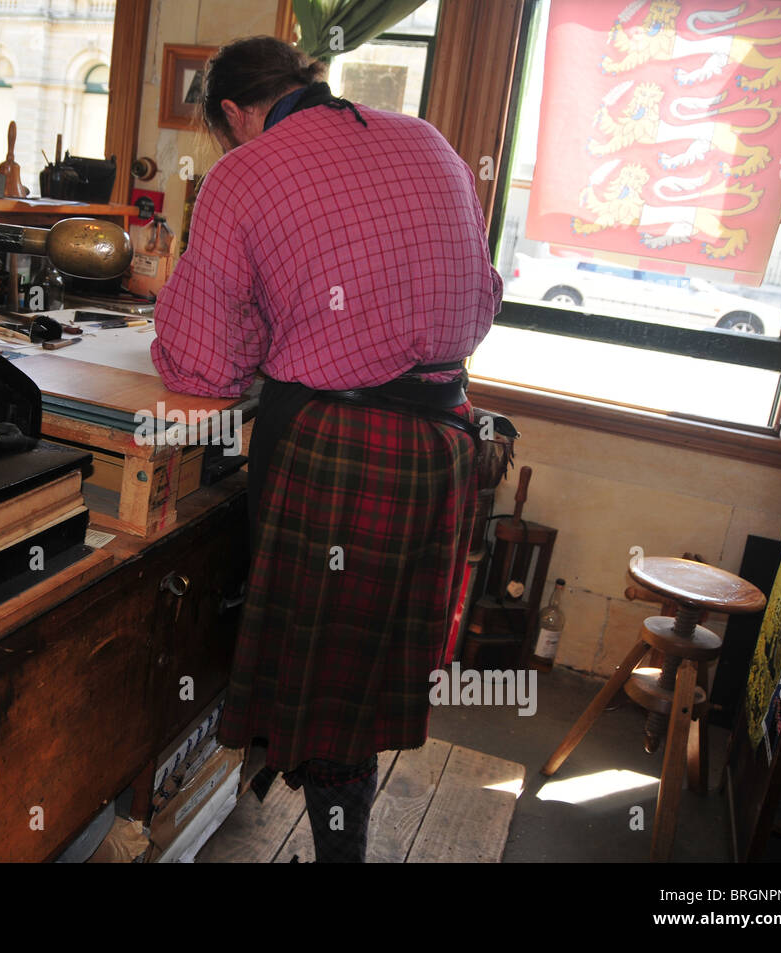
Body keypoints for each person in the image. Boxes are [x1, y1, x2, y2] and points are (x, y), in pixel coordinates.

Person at [150, 35, 502, 862]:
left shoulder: (246, 170)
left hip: (341, 450)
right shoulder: (430, 139)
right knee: (365, 677)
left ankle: (339, 848)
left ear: (236, 113)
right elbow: (477, 296)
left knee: (328, 694)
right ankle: (327, 821)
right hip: (448, 438)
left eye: (227, 130)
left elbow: (204, 364)